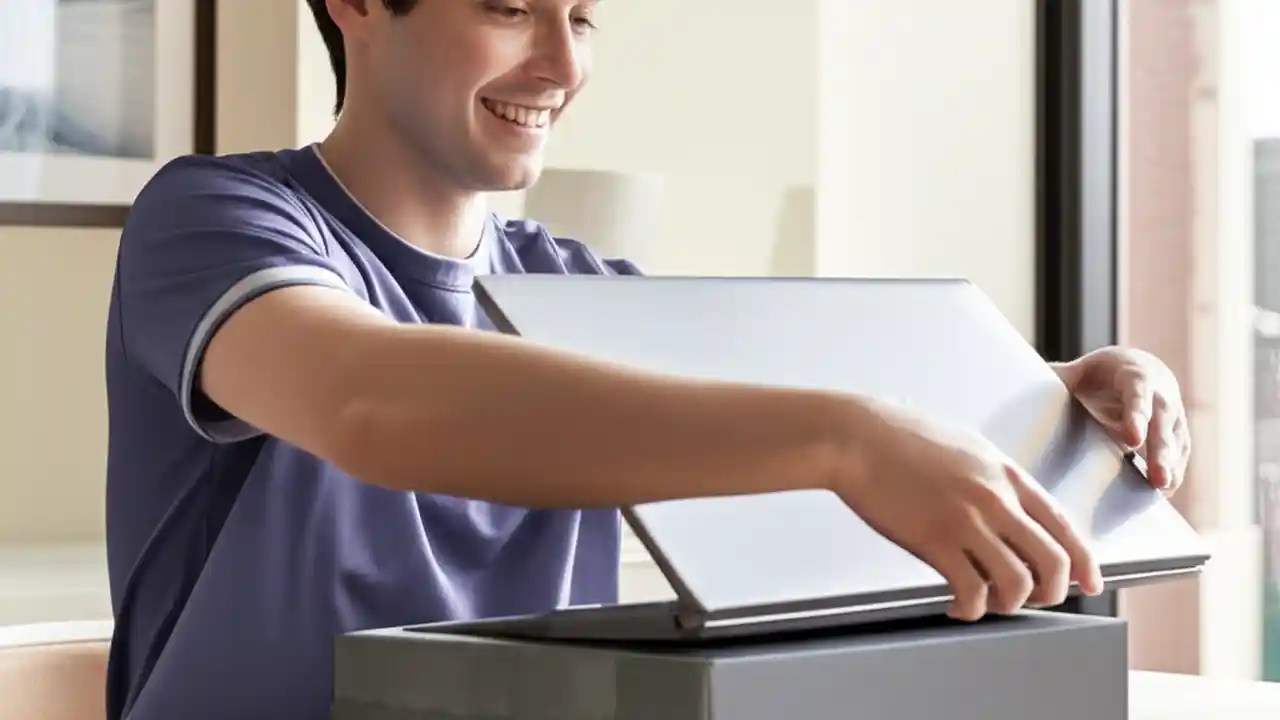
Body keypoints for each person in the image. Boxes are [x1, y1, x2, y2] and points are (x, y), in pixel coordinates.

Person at [102, 1, 1192, 718]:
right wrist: (846, 438)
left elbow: (798, 400)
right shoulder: (219, 218)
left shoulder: (581, 294)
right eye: (507, 8)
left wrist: (1058, 396)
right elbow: (364, 396)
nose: (563, 62)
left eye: (581, 16)